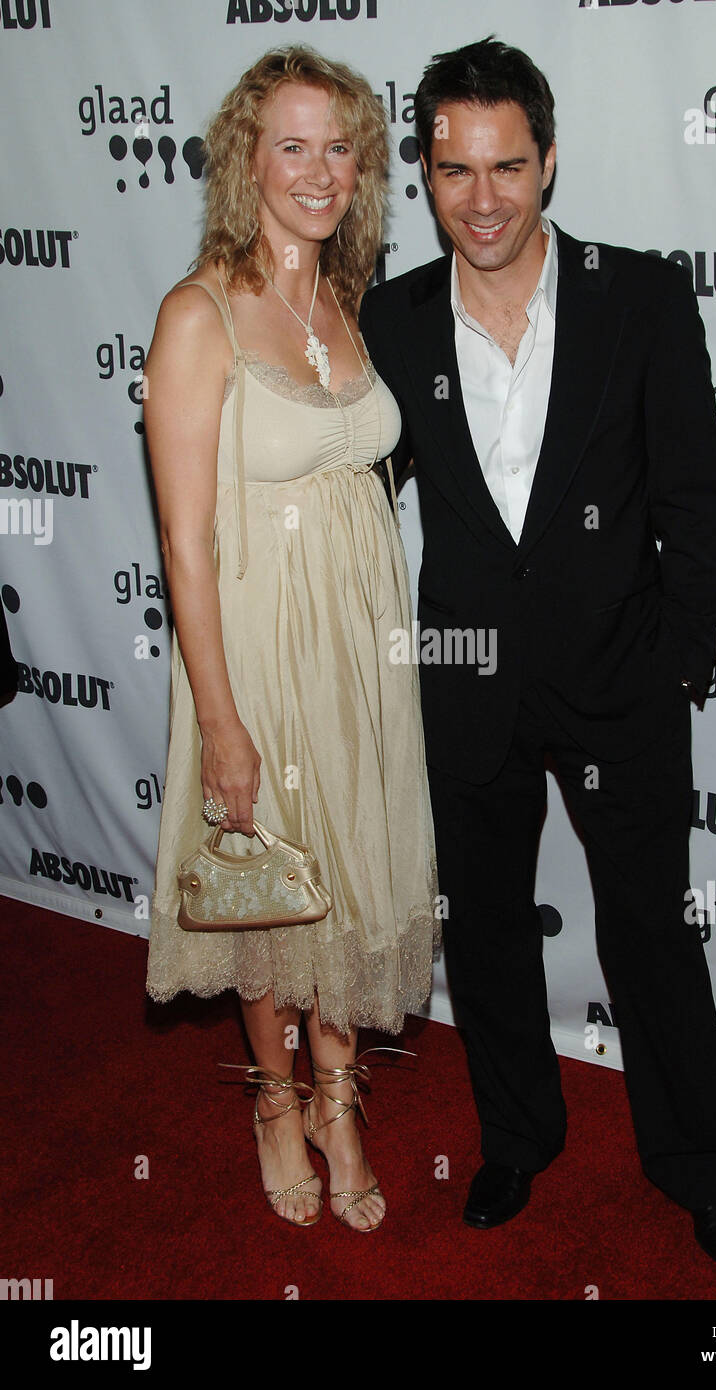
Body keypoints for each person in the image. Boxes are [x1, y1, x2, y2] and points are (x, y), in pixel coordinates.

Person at [359, 37, 716, 1271]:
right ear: (424, 171)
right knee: (482, 931)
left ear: (548, 163)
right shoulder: (392, 317)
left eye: (507, 167)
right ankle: (517, 1139)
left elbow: (695, 499)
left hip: (620, 678)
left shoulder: (635, 296)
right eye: (451, 169)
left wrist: (677, 657)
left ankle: (697, 1164)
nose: (481, 199)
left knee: (650, 929)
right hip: (469, 676)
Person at [144, 45, 439, 1233]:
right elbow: (183, 540)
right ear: (246, 160)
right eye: (292, 145)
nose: (320, 171)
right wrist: (221, 719)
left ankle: (336, 1089)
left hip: (360, 643)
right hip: (259, 646)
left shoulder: (342, 295)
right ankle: (276, 1099)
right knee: (274, 891)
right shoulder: (197, 310)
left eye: (340, 147)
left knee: (348, 868)